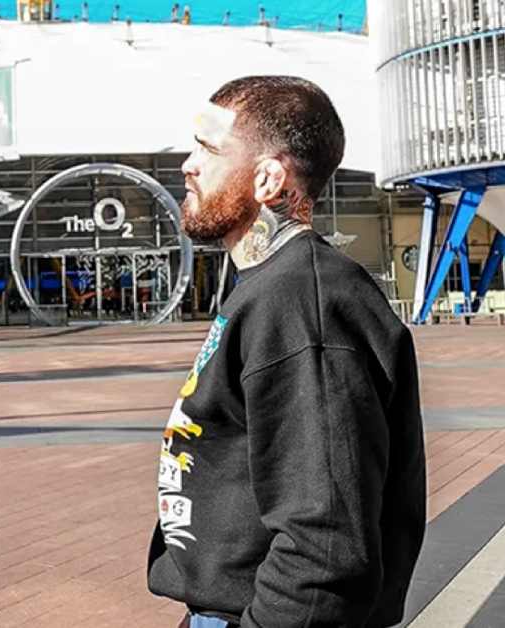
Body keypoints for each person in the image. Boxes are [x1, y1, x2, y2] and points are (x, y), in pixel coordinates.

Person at [148, 76, 426, 628]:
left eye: (208, 150)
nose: (187, 164)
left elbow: (323, 547)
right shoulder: (268, 286)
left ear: (268, 178)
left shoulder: (303, 303)